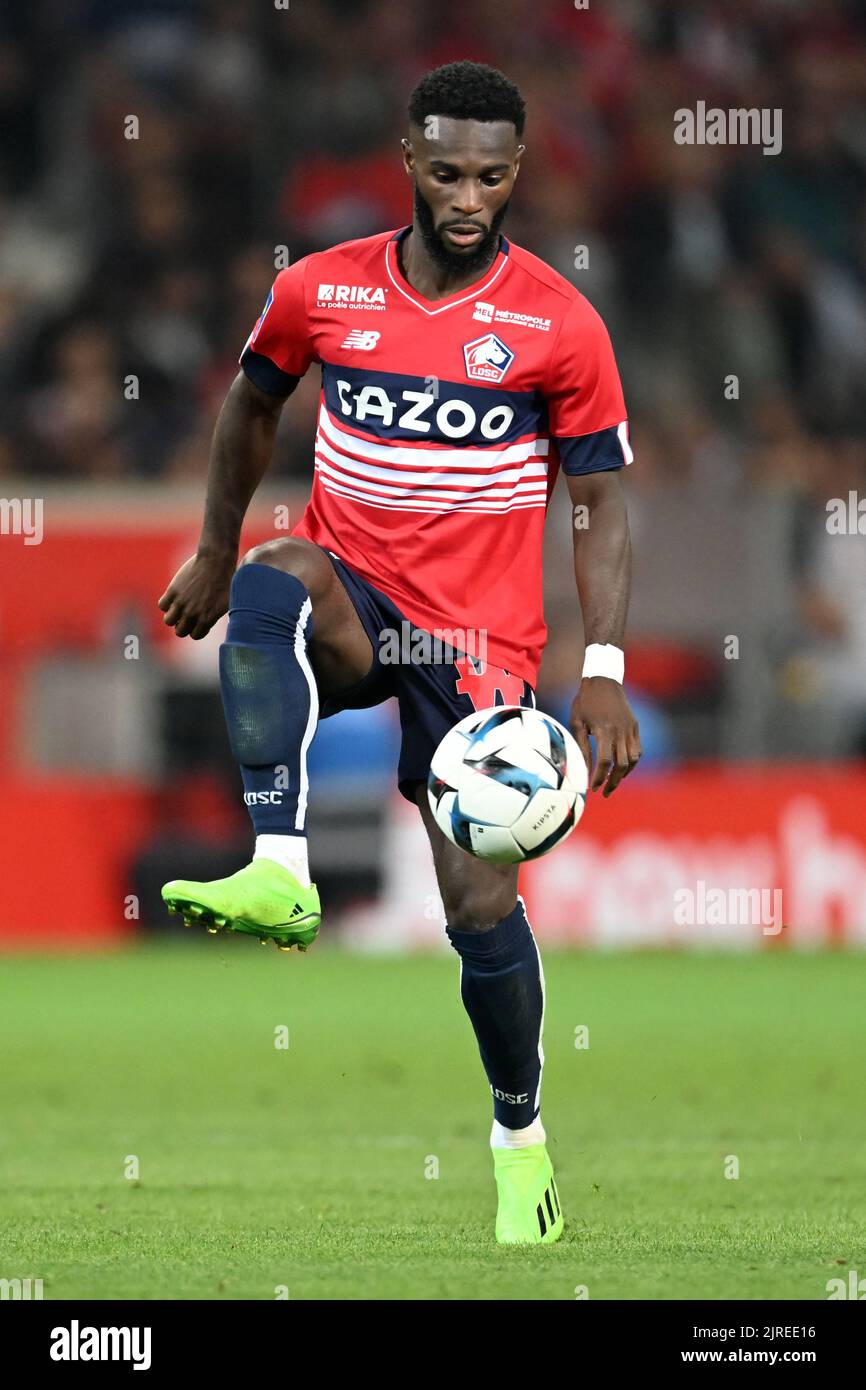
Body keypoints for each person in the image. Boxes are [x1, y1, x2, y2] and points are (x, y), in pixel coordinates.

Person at [158, 60, 641, 1246]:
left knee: (478, 907)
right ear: (409, 165)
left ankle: (518, 1136)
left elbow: (601, 503)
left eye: (488, 174)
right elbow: (249, 402)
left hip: (476, 646)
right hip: (358, 597)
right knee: (278, 576)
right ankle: (281, 864)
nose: (465, 195)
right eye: (444, 172)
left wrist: (604, 665)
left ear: (515, 173)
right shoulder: (322, 290)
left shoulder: (557, 324)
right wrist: (217, 546)